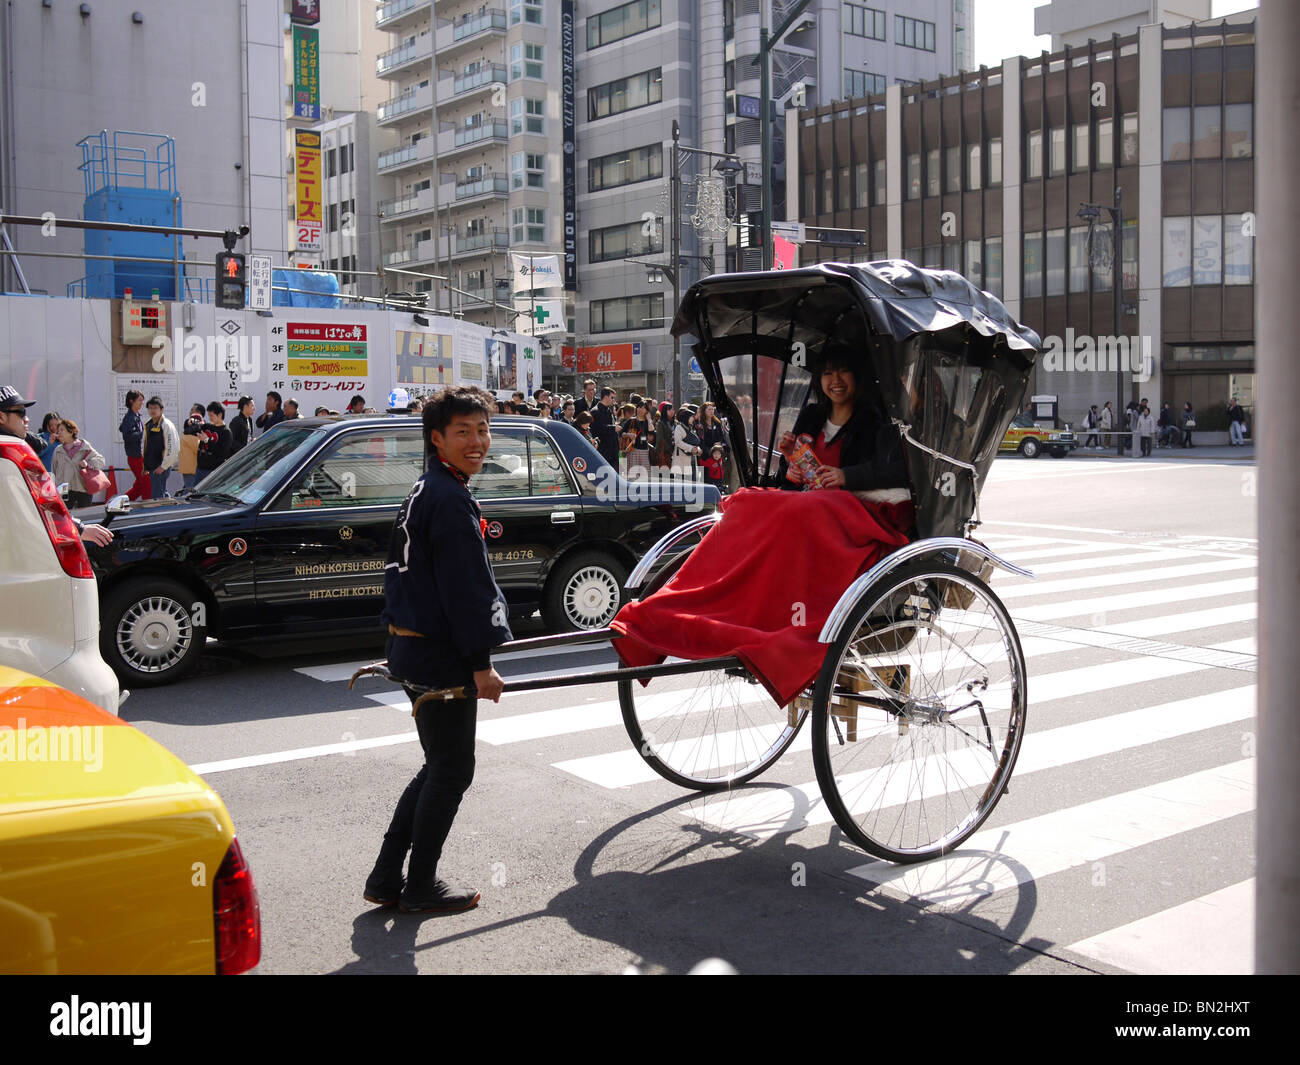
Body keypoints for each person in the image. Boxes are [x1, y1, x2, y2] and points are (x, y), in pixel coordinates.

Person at [365, 385, 511, 915]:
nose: (477, 442)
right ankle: (419, 884)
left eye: (482, 430)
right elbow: (466, 591)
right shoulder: (448, 499)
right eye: (463, 432)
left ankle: (387, 876)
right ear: (437, 439)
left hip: (411, 646)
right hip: (439, 656)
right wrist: (482, 666)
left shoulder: (429, 489)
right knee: (452, 770)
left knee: (438, 765)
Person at [776, 344, 909, 496]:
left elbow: (886, 472)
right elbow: (790, 478)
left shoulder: (872, 423)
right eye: (828, 373)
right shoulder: (810, 415)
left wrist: (846, 476)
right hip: (801, 497)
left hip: (841, 504)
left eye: (844, 371)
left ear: (856, 377)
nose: (836, 380)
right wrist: (789, 462)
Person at [0, 387, 112, 545]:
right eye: (21, 413)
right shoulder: (10, 454)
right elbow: (38, 505)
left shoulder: (15, 448)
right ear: (1, 417)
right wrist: (80, 529)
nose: (27, 419)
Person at [52, 418, 107, 509]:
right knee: (65, 517)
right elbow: (53, 470)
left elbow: (101, 460)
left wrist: (88, 463)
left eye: (62, 430)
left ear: (71, 432)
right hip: (64, 490)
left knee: (84, 517)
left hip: (83, 489)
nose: (59, 433)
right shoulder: (58, 450)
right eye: (58, 431)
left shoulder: (84, 447)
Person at [142, 396, 179, 499]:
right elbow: (146, 446)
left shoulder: (166, 425)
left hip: (161, 466)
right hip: (153, 466)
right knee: (162, 493)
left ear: (162, 409)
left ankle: (159, 514)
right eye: (150, 408)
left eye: (155, 408)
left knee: (157, 496)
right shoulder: (149, 424)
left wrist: (164, 466)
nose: (152, 410)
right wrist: (145, 465)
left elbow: (172, 447)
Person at [119, 389, 149, 501]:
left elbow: (122, 428)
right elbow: (127, 435)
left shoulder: (135, 416)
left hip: (137, 455)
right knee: (146, 484)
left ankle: (122, 502)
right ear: (131, 401)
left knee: (140, 486)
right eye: (139, 400)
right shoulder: (130, 417)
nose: (142, 403)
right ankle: (148, 507)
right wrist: (142, 433)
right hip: (135, 456)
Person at [196, 401, 233, 477]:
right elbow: (190, 430)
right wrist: (190, 423)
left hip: (214, 471)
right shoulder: (207, 427)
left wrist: (207, 440)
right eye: (209, 415)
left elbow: (221, 453)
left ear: (219, 415)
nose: (210, 418)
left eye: (211, 415)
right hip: (200, 468)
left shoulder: (226, 432)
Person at [591, 386, 621, 467]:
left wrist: (615, 426)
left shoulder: (609, 409)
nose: (613, 400)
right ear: (605, 397)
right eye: (612, 397)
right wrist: (613, 428)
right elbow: (597, 429)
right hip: (603, 451)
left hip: (613, 450)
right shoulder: (595, 411)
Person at [672, 404, 702, 479]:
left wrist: (698, 450)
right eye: (691, 416)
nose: (693, 418)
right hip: (681, 458)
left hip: (692, 457)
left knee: (692, 480)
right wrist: (691, 448)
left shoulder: (690, 428)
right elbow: (678, 442)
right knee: (681, 481)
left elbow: (694, 442)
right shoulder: (679, 427)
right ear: (686, 417)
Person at [179, 408, 203, 492]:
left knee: (188, 489)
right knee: (190, 492)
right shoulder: (193, 438)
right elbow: (200, 450)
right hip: (192, 469)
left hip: (187, 469)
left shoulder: (185, 435)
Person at [653, 401, 675, 469]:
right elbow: (660, 439)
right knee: (665, 475)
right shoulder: (661, 423)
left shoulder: (675, 423)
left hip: (675, 452)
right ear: (664, 411)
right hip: (665, 452)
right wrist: (669, 448)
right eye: (669, 409)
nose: (672, 411)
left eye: (672, 409)